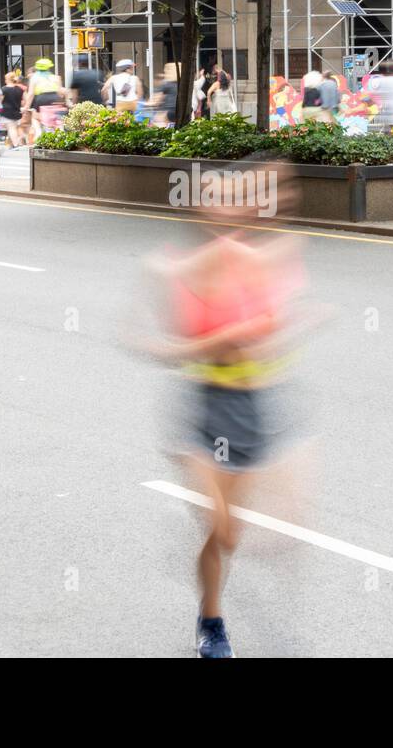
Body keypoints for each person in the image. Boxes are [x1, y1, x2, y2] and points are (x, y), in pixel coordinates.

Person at [144, 160, 310, 659]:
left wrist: (265, 336)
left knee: (229, 535)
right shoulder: (174, 267)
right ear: (199, 207)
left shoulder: (260, 263)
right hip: (202, 406)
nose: (224, 208)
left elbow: (271, 335)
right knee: (217, 525)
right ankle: (212, 623)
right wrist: (222, 341)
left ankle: (207, 606)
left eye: (231, 199)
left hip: (250, 407)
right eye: (213, 198)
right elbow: (158, 344)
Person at [23, 56, 65, 131]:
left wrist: (26, 107)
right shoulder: (56, 77)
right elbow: (60, 92)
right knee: (56, 119)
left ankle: (39, 133)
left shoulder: (34, 78)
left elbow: (31, 94)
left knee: (35, 118)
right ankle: (58, 132)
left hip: (41, 99)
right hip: (55, 98)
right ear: (49, 67)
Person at [0, 71, 26, 147]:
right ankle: (18, 142)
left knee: (11, 128)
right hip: (17, 111)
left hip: (6, 111)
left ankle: (16, 144)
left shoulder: (4, 89)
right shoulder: (20, 89)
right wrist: (24, 108)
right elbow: (24, 100)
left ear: (7, 79)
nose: (5, 80)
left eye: (5, 79)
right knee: (16, 127)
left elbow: (0, 100)